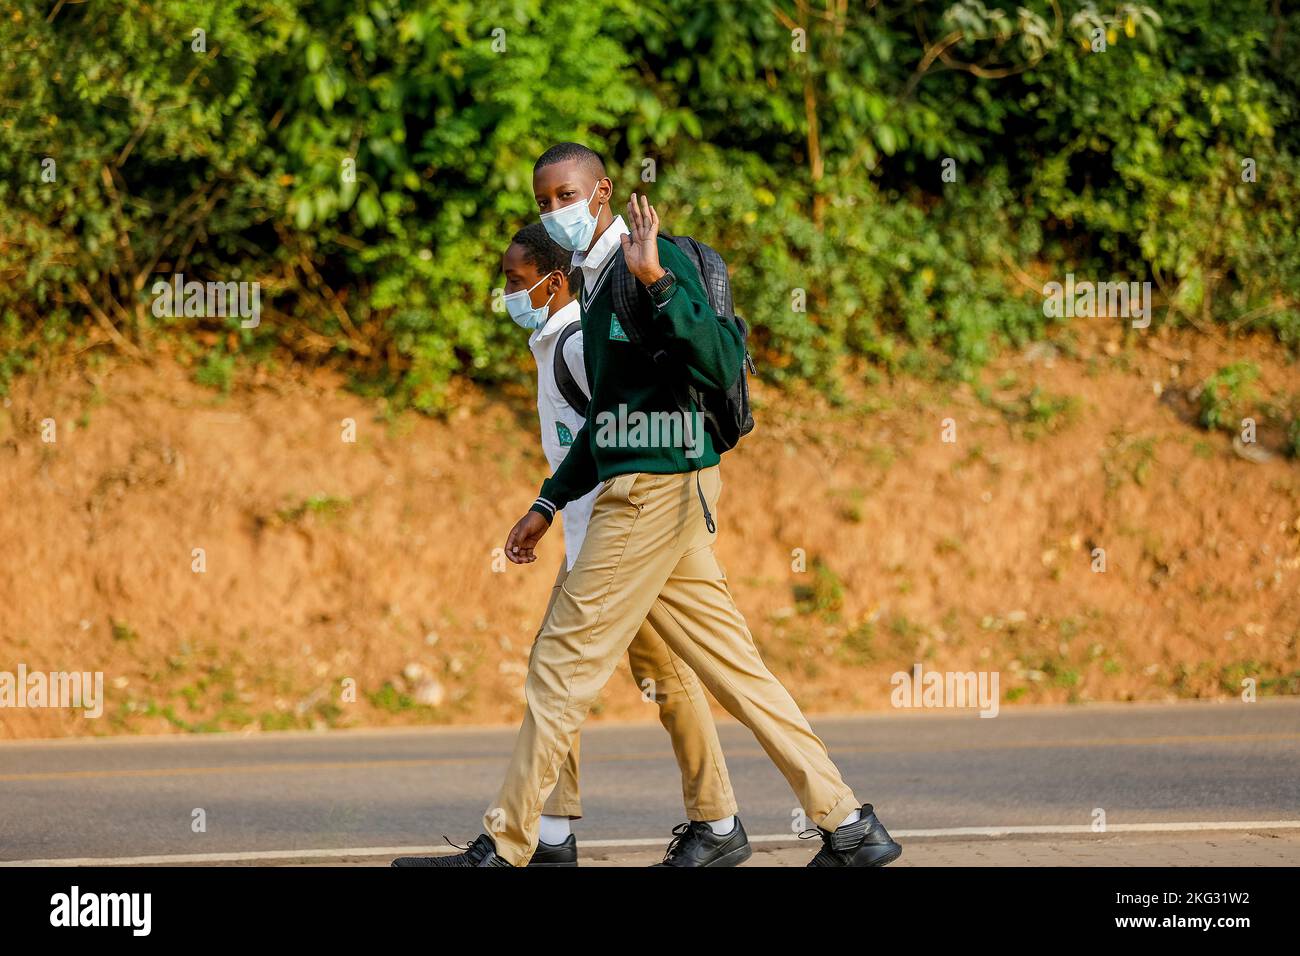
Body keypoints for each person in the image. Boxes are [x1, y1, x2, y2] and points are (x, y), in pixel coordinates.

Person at [393, 143, 901, 868]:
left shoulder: (651, 262)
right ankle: (849, 826)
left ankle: (507, 847)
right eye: (544, 202)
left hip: (649, 494)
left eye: (566, 195)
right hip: (661, 487)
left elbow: (722, 359)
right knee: (732, 670)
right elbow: (606, 419)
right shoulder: (595, 289)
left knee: (559, 667)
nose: (556, 211)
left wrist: (659, 280)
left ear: (602, 193)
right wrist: (548, 502)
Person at [493, 222, 747, 867]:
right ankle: (713, 823)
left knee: (562, 674)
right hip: (602, 531)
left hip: (619, 533)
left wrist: (566, 517)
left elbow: (608, 435)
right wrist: (548, 506)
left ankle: (547, 839)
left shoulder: (580, 340)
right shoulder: (554, 336)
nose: (506, 294)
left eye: (516, 282)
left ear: (555, 280)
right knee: (663, 677)